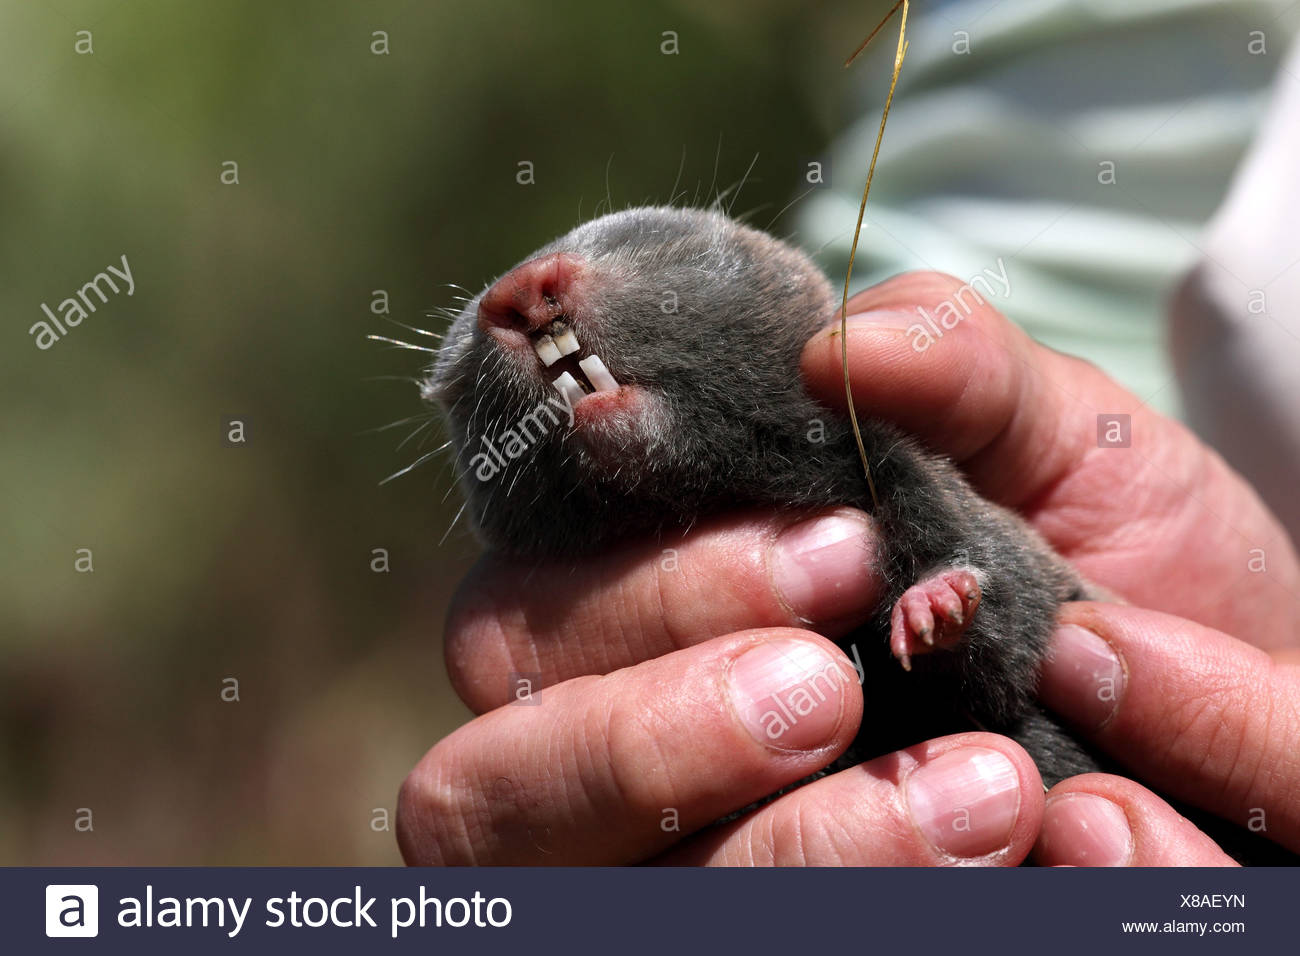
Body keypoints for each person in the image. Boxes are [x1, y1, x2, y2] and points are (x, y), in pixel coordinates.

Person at [396, 273, 1300, 865]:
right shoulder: (861, 392)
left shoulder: (876, 458)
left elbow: (1000, 662)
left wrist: (946, 598)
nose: (524, 305)